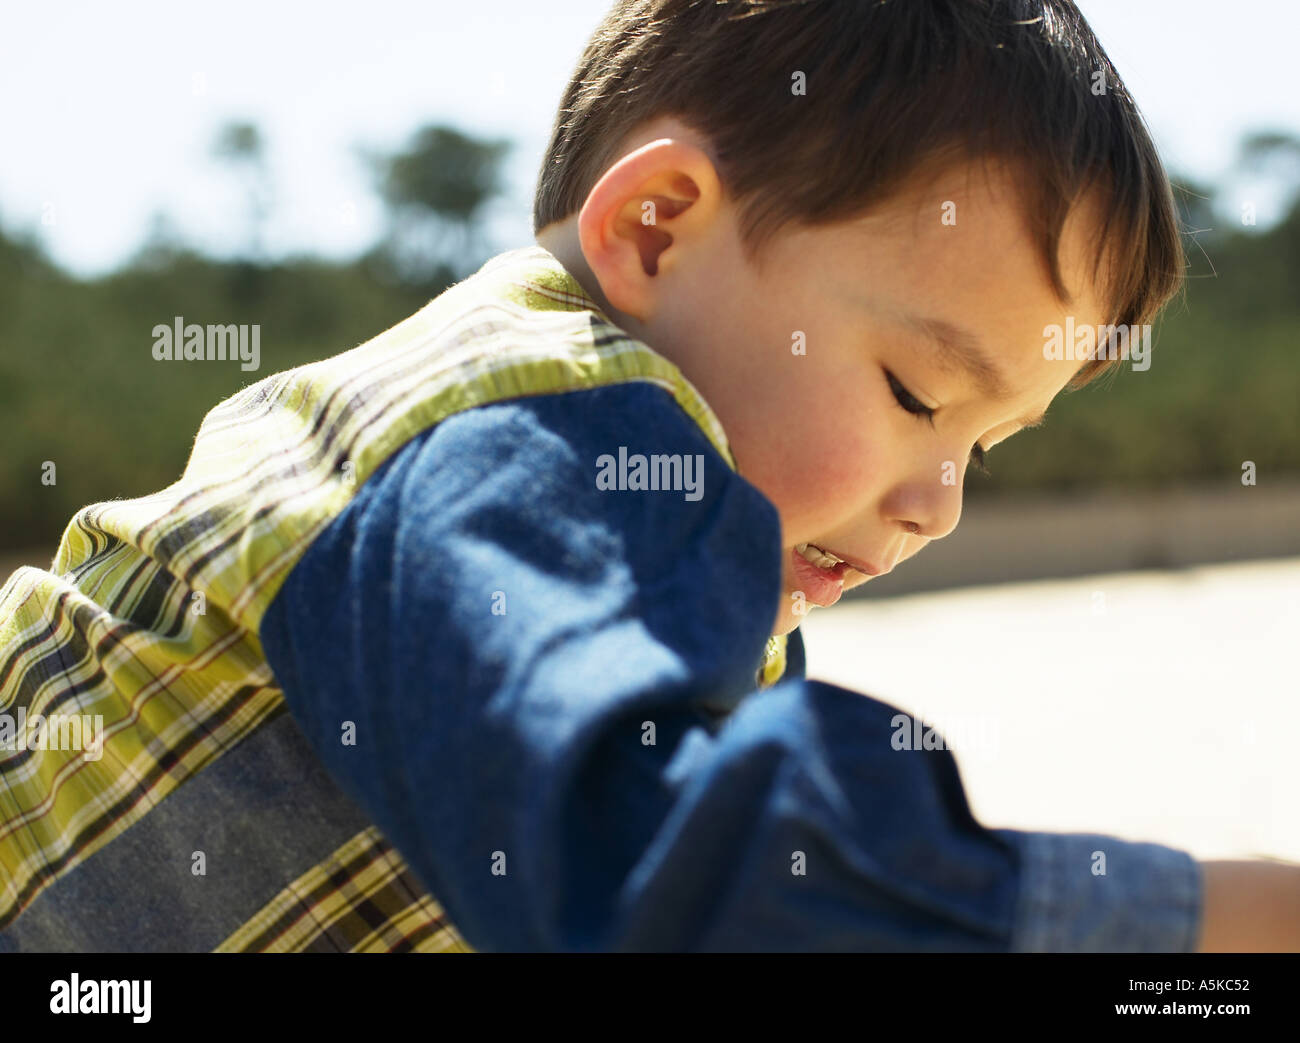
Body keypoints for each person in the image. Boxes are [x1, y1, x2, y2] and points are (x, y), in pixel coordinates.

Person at [2, 0, 1295, 952]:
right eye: (917, 395)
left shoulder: (632, 547)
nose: (938, 501)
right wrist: (1208, 921)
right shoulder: (527, 435)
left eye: (984, 450)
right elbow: (691, 884)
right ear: (655, 227)